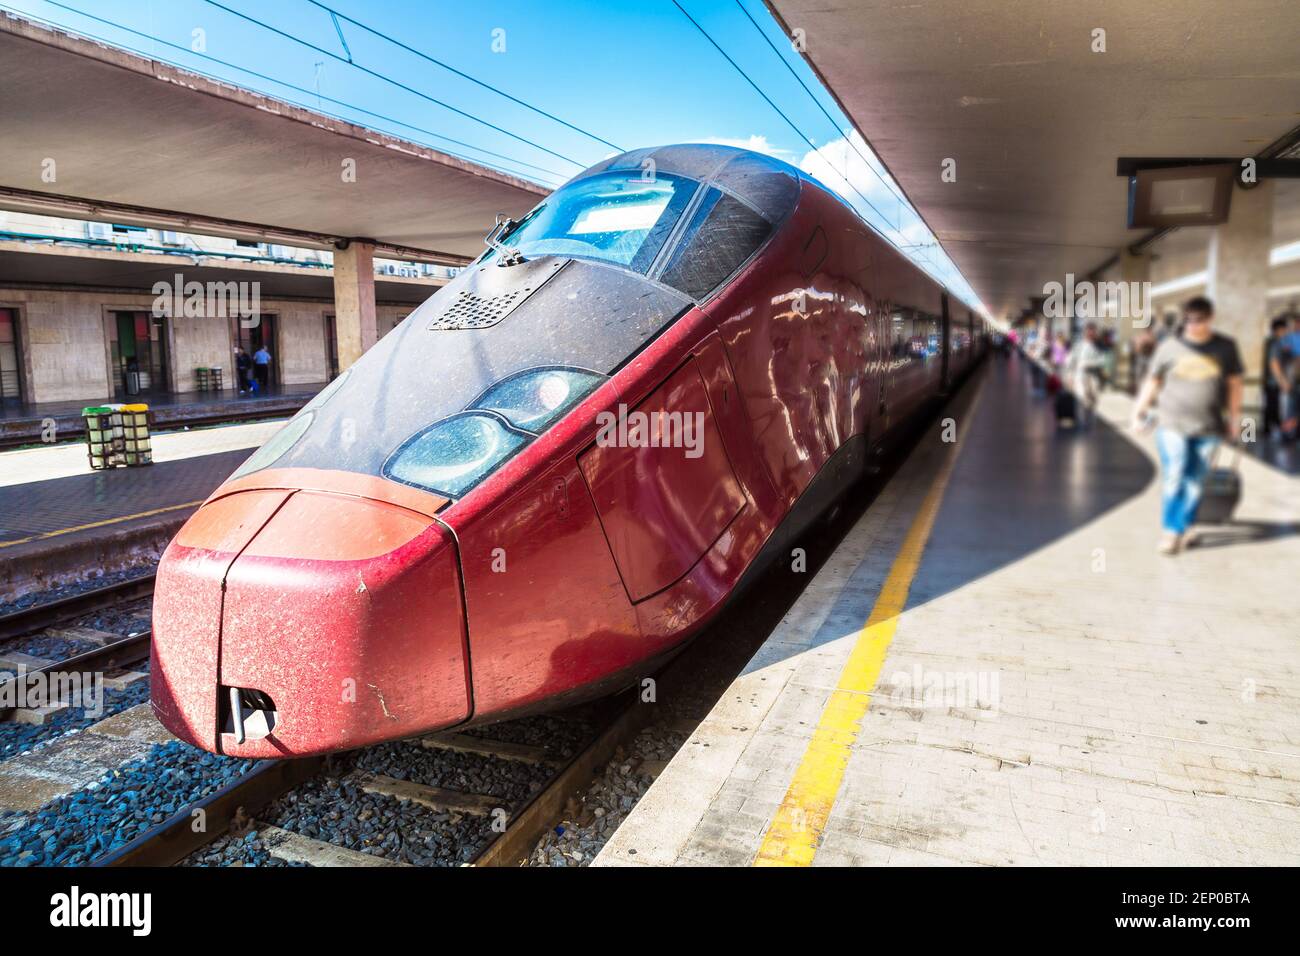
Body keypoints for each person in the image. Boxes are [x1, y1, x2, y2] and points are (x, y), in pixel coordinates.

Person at [1130, 296, 1243, 555]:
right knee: (1175, 474)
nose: (1193, 326)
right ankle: (1171, 531)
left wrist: (1237, 421)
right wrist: (1139, 411)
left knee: (1195, 481)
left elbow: (1235, 385)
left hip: (1210, 426)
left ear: (1210, 318)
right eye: (1189, 321)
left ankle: (1186, 525)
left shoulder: (1226, 347)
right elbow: (1153, 381)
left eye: (1199, 321)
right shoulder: (1168, 347)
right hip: (1171, 422)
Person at [1068, 323, 1108, 426]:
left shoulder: (1099, 345)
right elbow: (1072, 360)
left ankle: (1090, 417)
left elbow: (1103, 360)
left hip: (1094, 376)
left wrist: (1088, 363)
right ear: (1085, 332)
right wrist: (1070, 375)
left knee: (1093, 397)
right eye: (1088, 332)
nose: (1090, 334)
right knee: (1082, 397)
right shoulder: (1079, 345)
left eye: (1093, 332)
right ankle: (1083, 419)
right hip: (1081, 376)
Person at [1266, 313, 1299, 440]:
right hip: (1281, 384)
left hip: (1289, 383)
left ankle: (1287, 433)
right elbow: (1274, 363)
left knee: (1289, 411)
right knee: (1283, 411)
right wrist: (1283, 381)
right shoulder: (1278, 343)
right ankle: (1284, 433)